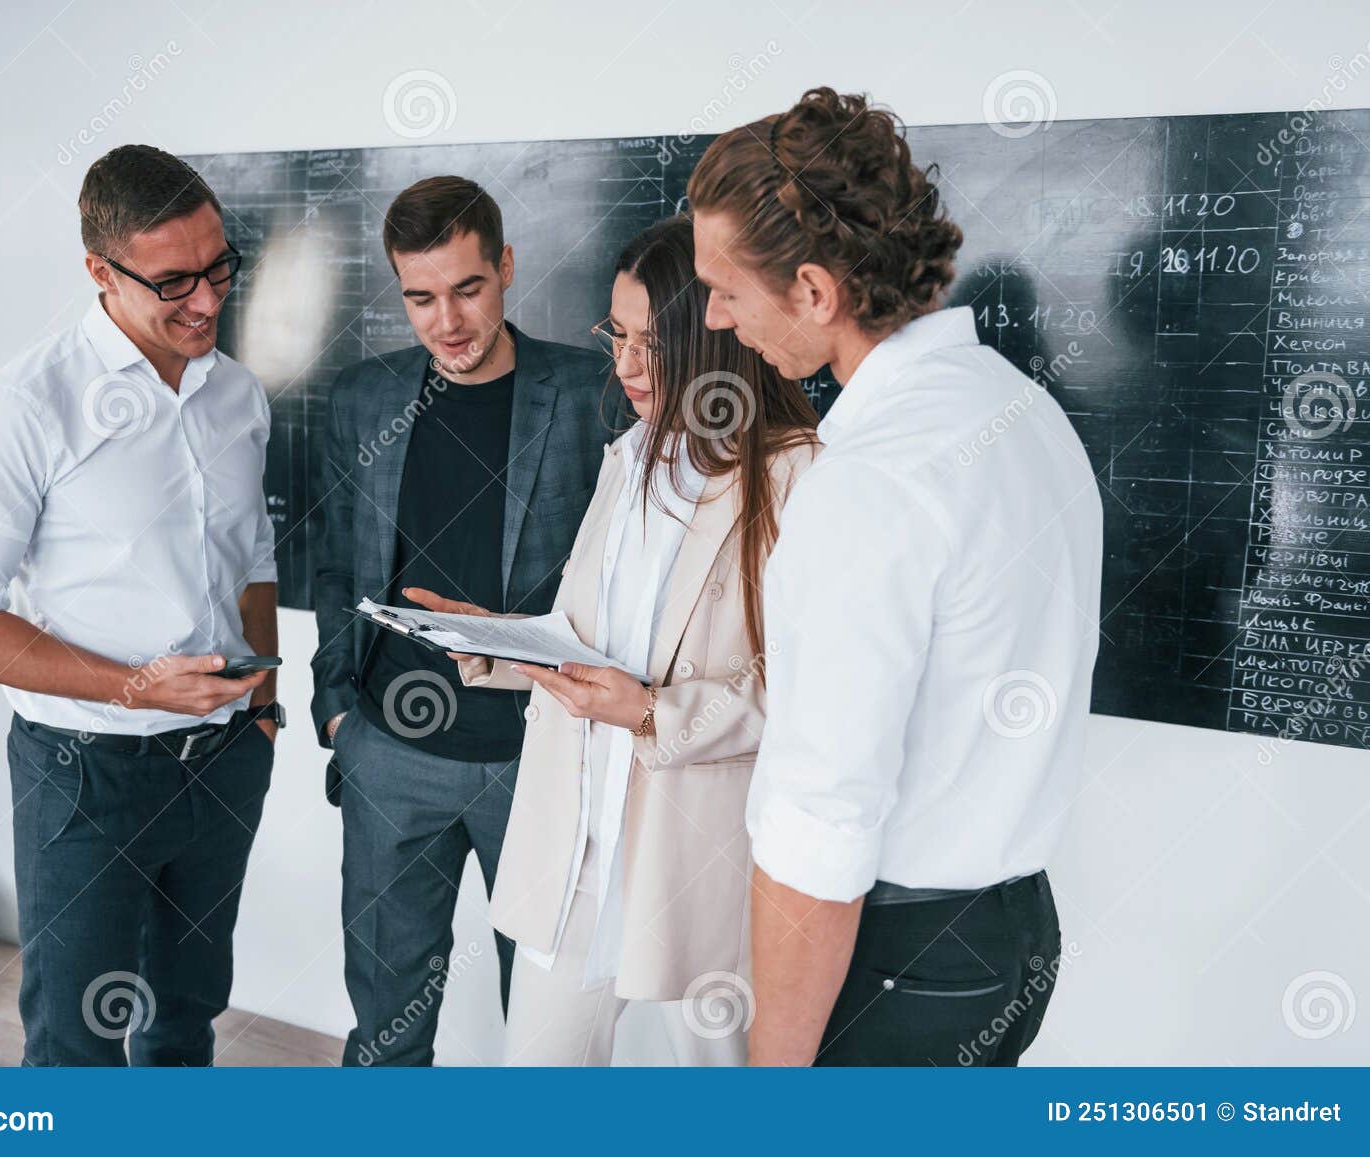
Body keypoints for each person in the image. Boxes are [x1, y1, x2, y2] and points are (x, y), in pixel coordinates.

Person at [687, 88, 1104, 1066]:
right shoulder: (1024, 410)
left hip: (898, 964)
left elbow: (819, 830)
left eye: (727, 288)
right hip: (1012, 937)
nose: (713, 314)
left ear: (815, 292)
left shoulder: (867, 487)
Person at [408, 214, 819, 1065]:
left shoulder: (795, 476)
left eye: (651, 344)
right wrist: (505, 645)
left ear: (717, 335)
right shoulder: (629, 456)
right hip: (577, 847)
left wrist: (653, 713)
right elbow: (591, 644)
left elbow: (810, 697)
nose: (626, 365)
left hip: (697, 857)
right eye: (617, 335)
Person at [0, 145, 283, 1066]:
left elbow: (253, 555)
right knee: (77, 1040)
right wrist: (133, 688)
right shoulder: (18, 408)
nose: (207, 301)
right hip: (86, 776)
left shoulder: (236, 393)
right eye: (174, 281)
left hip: (225, 761)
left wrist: (266, 703)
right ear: (99, 271)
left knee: (186, 1017)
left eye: (220, 267)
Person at [310, 175, 618, 1067]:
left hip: (540, 760)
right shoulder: (363, 399)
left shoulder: (594, 392)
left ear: (507, 267)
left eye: (468, 288)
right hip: (387, 758)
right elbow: (335, 564)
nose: (446, 320)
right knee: (384, 1027)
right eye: (420, 296)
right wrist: (339, 713)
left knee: (551, 1039)